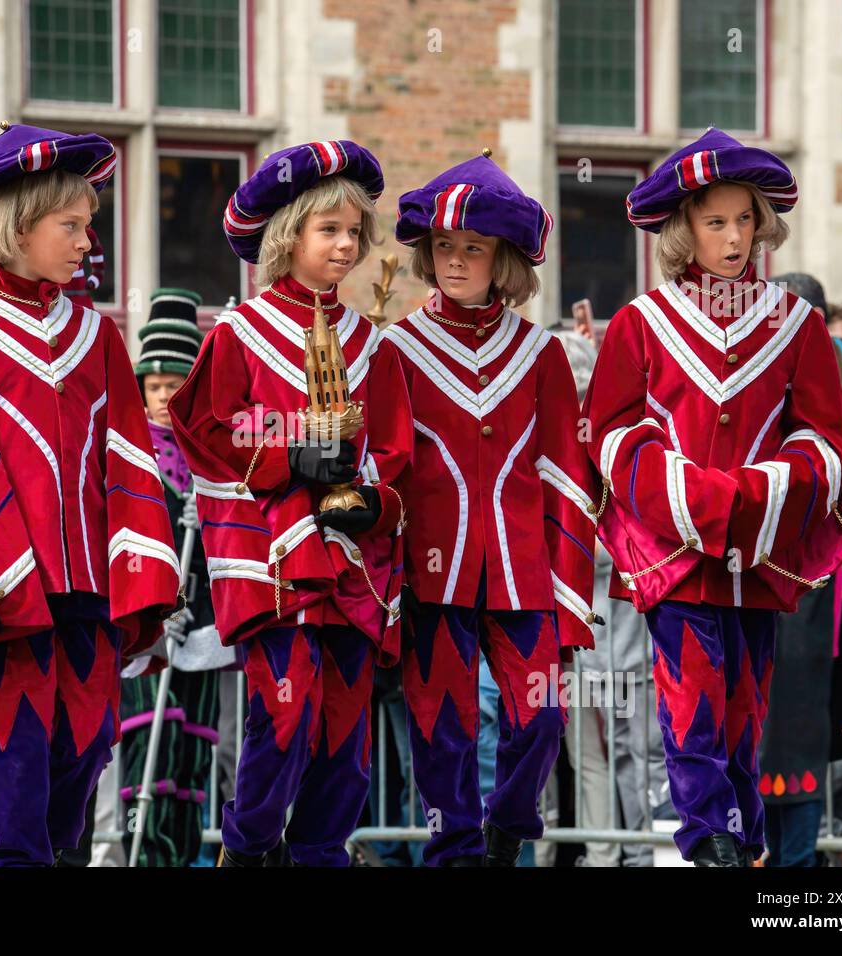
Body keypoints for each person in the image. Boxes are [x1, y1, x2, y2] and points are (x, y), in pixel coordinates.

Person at [584, 128, 842, 866]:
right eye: (716, 222)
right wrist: (689, 494)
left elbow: (828, 441)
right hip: (675, 551)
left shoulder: (798, 326)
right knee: (692, 691)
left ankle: (739, 837)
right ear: (685, 230)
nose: (735, 236)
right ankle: (706, 832)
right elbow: (610, 434)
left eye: (746, 219)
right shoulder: (641, 324)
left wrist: (765, 491)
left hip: (760, 549)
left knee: (745, 700)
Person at [0, 122, 178, 866]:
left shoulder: (97, 335)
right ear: (19, 225)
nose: (90, 241)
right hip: (9, 598)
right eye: (73, 225)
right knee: (16, 768)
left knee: (85, 758)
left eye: (89, 225)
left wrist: (142, 583)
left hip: (90, 588)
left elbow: (128, 460)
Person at [168, 140, 413, 867]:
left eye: (353, 232)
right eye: (327, 230)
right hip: (274, 557)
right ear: (288, 236)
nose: (345, 245)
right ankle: (247, 849)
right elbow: (209, 429)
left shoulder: (374, 343)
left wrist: (375, 502)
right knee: (285, 707)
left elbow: (397, 453)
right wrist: (292, 451)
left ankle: (319, 853)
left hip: (351, 562)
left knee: (346, 727)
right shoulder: (239, 335)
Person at [381, 151, 596, 866]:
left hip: (523, 574)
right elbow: (386, 468)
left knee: (541, 719)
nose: (456, 260)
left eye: (473, 247)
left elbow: (567, 474)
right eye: (444, 246)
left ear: (503, 257)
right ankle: (454, 853)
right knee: (443, 730)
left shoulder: (541, 353)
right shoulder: (398, 348)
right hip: (431, 575)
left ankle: (509, 826)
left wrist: (571, 595)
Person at [117, 287, 226, 866]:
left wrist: (209, 515)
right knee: (150, 755)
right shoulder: (128, 455)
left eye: (173, 388)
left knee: (190, 757)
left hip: (203, 629)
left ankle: (183, 856)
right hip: (150, 628)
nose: (162, 399)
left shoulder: (215, 460)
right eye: (154, 388)